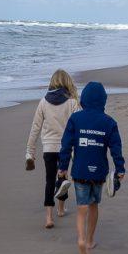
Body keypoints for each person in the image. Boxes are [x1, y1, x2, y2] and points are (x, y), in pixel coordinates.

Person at [58, 81, 125, 254]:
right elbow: (116, 147)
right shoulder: (109, 122)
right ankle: (89, 240)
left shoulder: (75, 119)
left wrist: (62, 167)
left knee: (82, 208)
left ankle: (80, 239)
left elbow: (66, 145)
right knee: (94, 205)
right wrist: (120, 169)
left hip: (80, 171)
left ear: (83, 100)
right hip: (99, 173)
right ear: (103, 101)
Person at [25, 69, 80, 229]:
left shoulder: (43, 102)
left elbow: (35, 127)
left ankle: (49, 217)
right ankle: (61, 209)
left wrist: (30, 150)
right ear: (67, 82)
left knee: (49, 179)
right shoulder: (72, 102)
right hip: (65, 147)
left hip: (48, 146)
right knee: (62, 176)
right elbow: (78, 125)